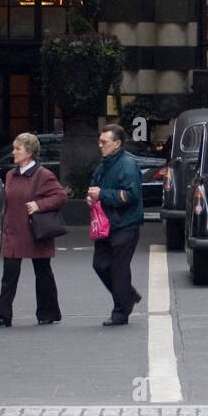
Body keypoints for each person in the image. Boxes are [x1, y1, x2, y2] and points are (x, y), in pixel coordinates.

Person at [0, 132, 66, 328]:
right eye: (14, 148)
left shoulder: (44, 175)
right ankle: (3, 315)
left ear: (29, 153)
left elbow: (60, 196)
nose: (13, 152)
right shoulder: (10, 175)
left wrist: (40, 205)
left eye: (18, 149)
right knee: (9, 275)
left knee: (43, 273)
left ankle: (48, 313)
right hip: (13, 232)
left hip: (35, 233)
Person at [89, 123, 144, 327]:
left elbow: (130, 195)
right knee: (100, 264)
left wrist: (101, 195)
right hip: (105, 225)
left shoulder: (128, 165)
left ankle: (120, 312)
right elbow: (94, 189)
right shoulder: (103, 166)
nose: (100, 145)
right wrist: (91, 199)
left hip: (125, 225)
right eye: (100, 141)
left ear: (117, 144)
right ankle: (127, 296)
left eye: (104, 142)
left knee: (119, 268)